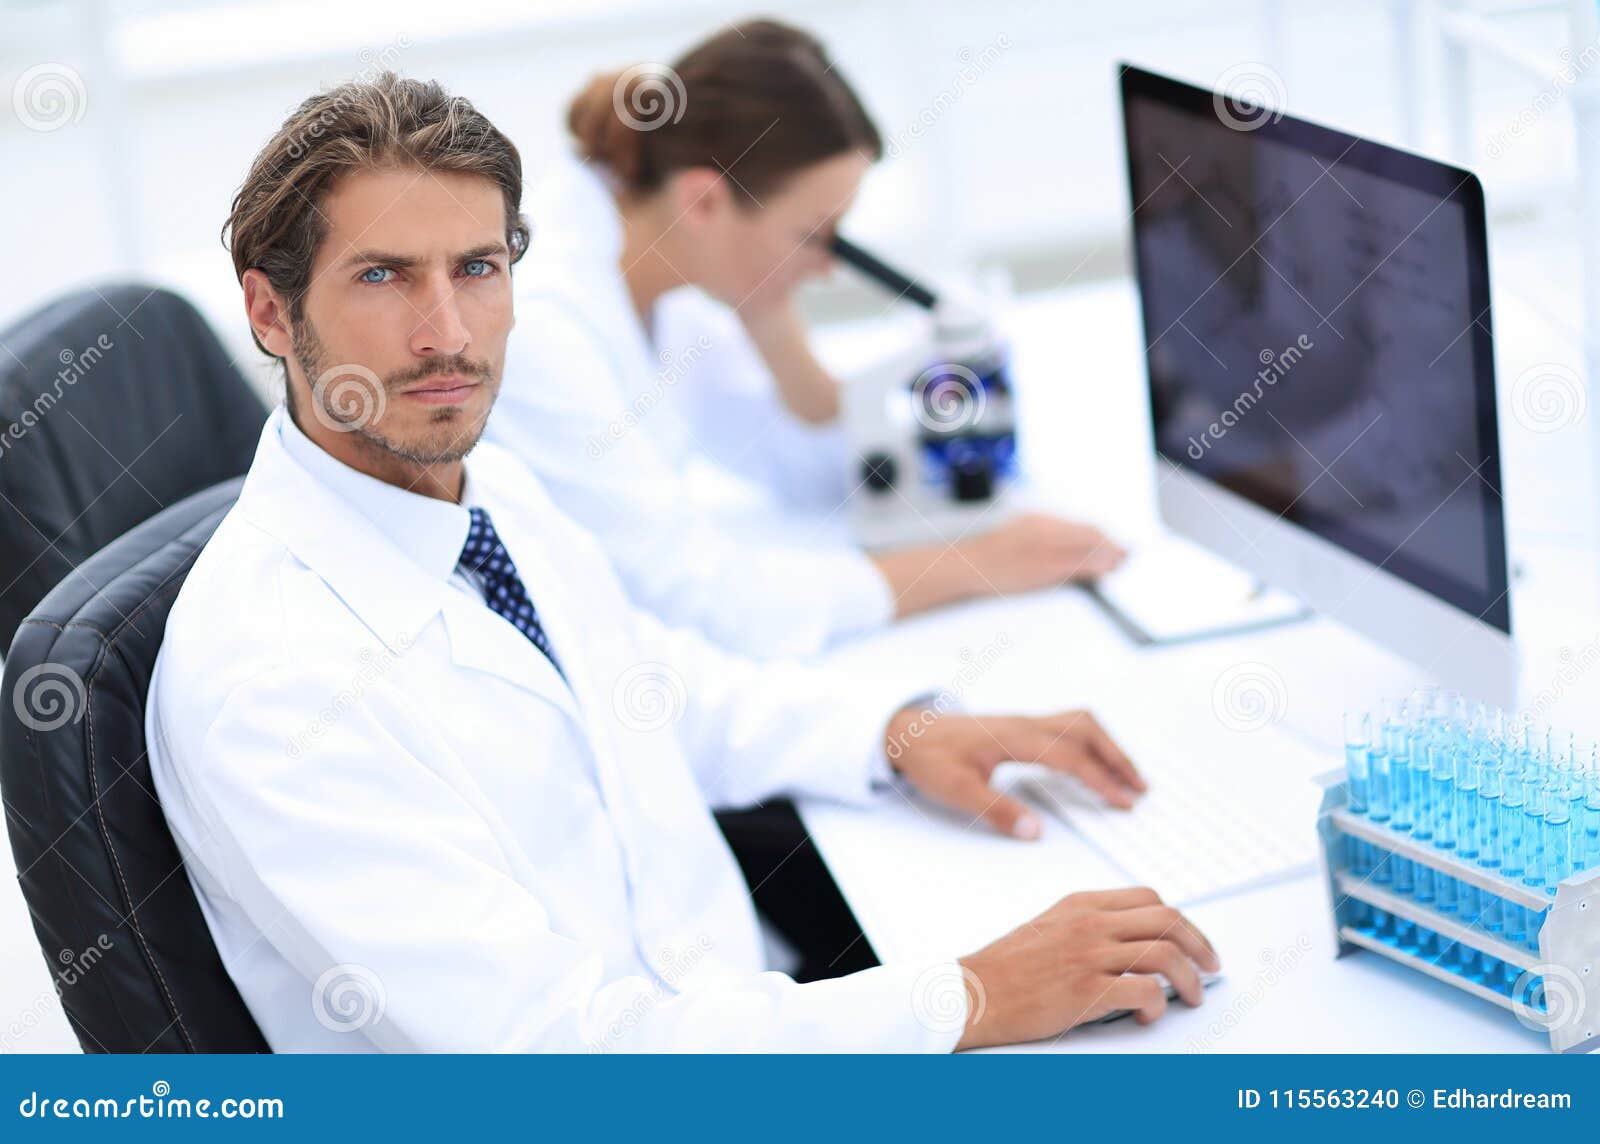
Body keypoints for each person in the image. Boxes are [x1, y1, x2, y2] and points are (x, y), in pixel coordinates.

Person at [146, 73, 1217, 1052]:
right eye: (383, 276)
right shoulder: (272, 687)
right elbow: (560, 1057)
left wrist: (893, 733)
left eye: (476, 269)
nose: (447, 334)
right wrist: (969, 997)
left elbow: (647, 683)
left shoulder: (481, 488)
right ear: (271, 312)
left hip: (739, 1006)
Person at [487, 19, 1126, 660]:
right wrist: (976, 565)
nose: (826, 266)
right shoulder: (544, 326)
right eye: (814, 234)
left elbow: (812, 472)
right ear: (704, 202)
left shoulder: (665, 266)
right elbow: (697, 602)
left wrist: (766, 309)